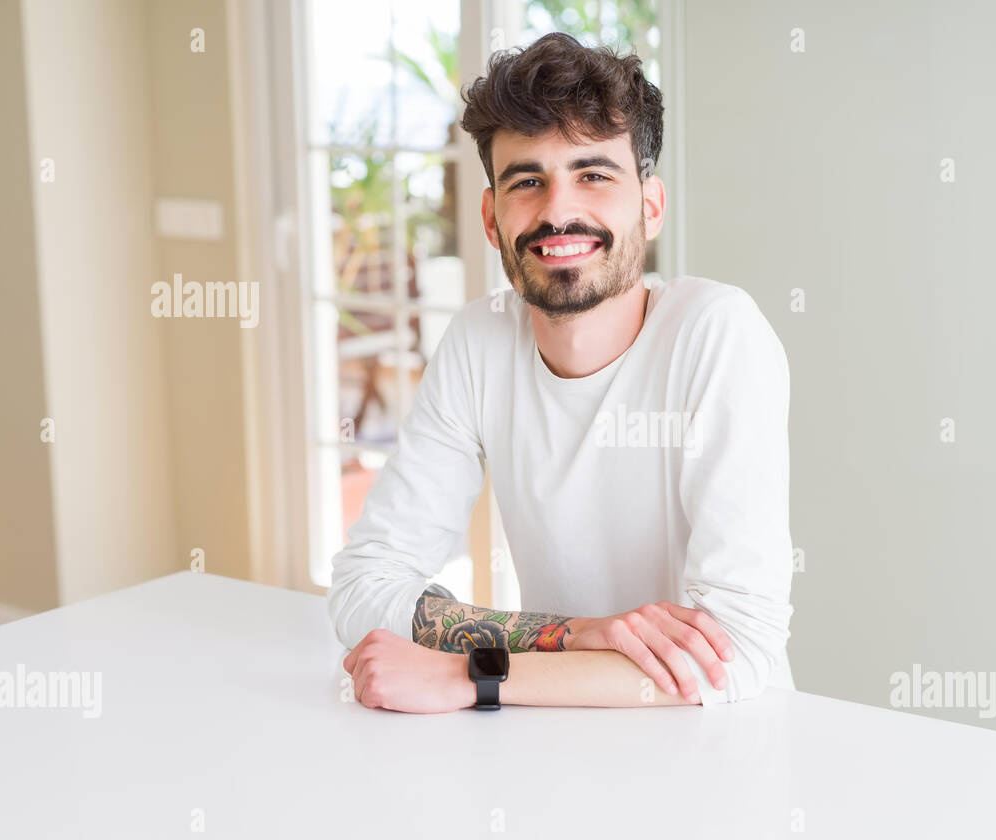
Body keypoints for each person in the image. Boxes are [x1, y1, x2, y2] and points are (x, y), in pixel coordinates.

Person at [329, 32, 793, 712]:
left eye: (594, 174)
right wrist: (575, 634)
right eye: (527, 180)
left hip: (721, 757)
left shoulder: (718, 334)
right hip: (550, 742)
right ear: (491, 217)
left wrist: (473, 675)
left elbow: (740, 651)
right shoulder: (479, 342)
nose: (557, 210)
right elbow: (363, 585)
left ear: (650, 205)